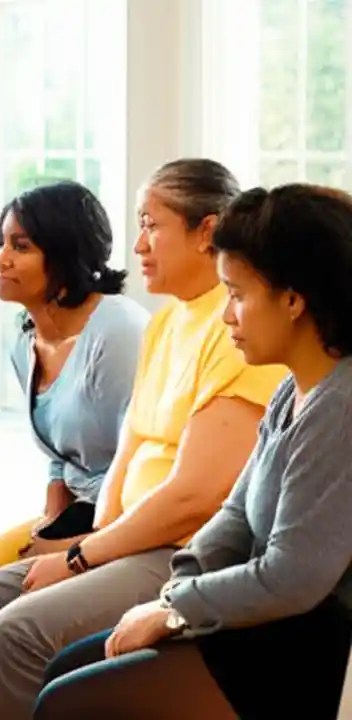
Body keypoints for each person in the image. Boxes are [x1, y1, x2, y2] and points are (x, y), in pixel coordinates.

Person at [0, 159, 288, 719]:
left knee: (15, 630)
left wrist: (82, 557)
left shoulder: (234, 331)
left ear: (207, 233)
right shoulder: (163, 325)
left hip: (179, 550)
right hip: (125, 540)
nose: (137, 246)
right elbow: (126, 454)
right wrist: (91, 543)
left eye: (151, 225)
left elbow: (195, 498)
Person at [34, 184, 352, 720]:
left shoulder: (339, 407)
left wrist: (175, 610)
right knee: (65, 672)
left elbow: (294, 580)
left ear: (294, 300)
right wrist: (176, 589)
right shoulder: (290, 390)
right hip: (253, 620)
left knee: (70, 702)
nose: (227, 315)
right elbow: (233, 516)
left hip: (303, 646)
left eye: (238, 295)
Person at [0, 181, 148, 719]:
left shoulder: (118, 330)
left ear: (62, 254)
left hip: (127, 521)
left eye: (20, 246)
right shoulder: (24, 340)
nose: (1, 259)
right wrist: (53, 522)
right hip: (75, 512)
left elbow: (142, 459)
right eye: (2, 242)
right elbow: (61, 454)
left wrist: (76, 546)